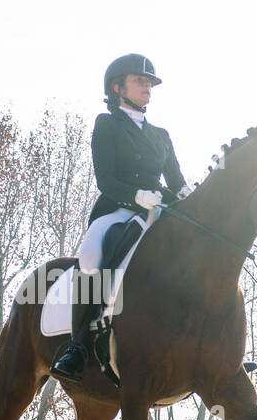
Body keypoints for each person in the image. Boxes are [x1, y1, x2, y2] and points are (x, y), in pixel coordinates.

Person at [50, 54, 190, 382]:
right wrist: (136, 196)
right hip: (118, 209)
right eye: (140, 81)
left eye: (150, 83)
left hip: (157, 211)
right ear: (117, 87)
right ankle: (79, 344)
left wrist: (192, 198)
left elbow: (177, 182)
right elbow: (105, 180)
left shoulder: (161, 135)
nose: (148, 88)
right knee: (89, 255)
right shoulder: (107, 123)